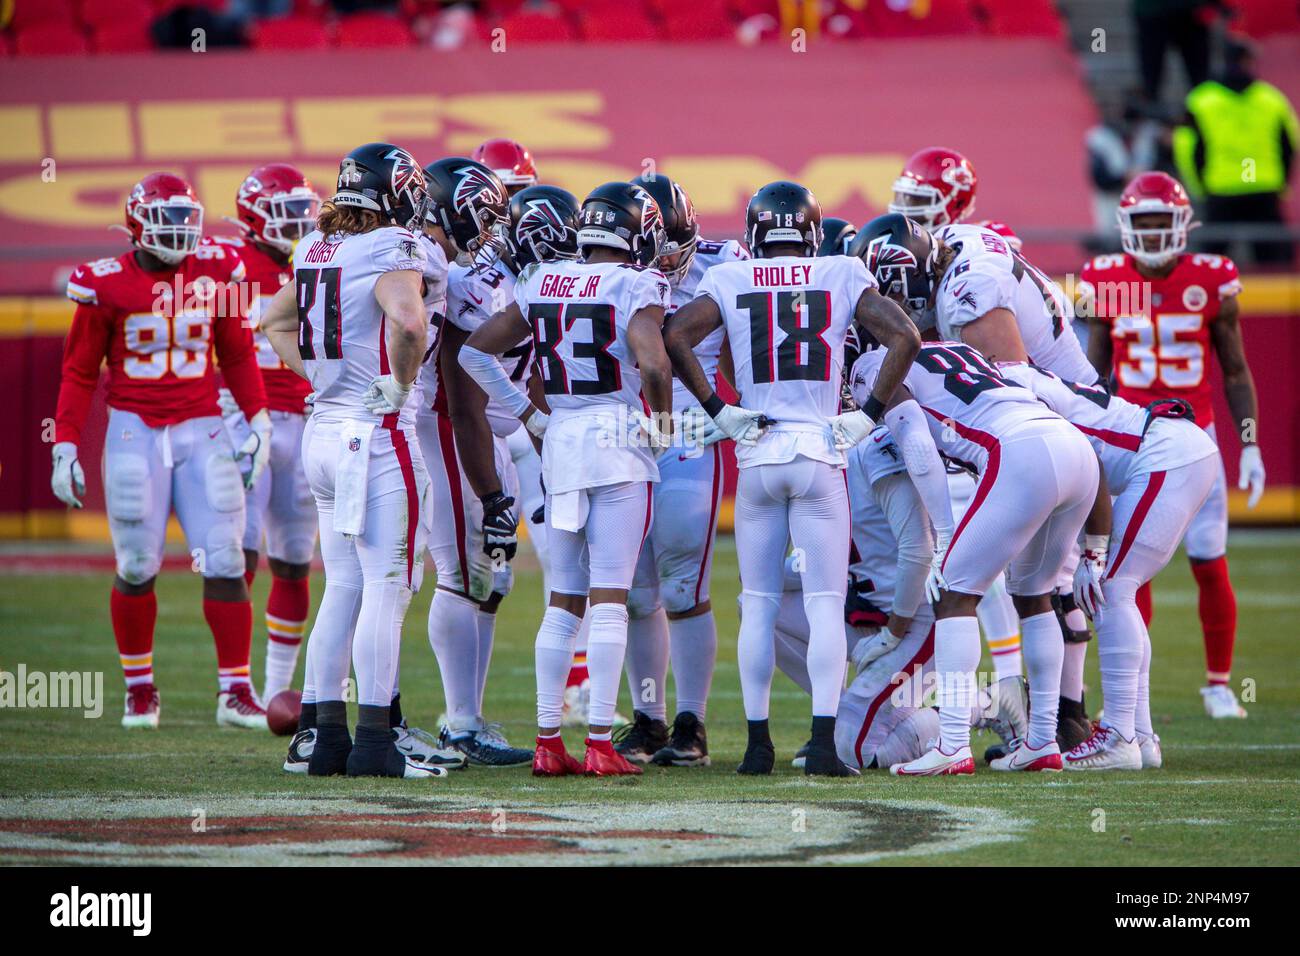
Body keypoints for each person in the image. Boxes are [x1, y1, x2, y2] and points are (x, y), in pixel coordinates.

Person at [663, 180, 921, 777]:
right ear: (811, 231)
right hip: (819, 451)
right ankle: (824, 744)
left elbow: (675, 335)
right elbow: (904, 335)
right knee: (826, 605)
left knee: (757, 605)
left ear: (754, 233)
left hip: (758, 453)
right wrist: (869, 416)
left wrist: (718, 408)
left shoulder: (729, 278)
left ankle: (757, 748)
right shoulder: (839, 272)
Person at [853, 217, 1107, 774]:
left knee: (956, 596)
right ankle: (1043, 741)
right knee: (1034, 594)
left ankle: (951, 747)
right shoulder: (963, 346)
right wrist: (1094, 552)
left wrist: (944, 536)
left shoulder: (878, 361)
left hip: (1020, 457)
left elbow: (918, 448)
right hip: (1075, 450)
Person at [459, 181, 675, 777]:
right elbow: (654, 362)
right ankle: (602, 743)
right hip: (614, 440)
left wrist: (529, 414)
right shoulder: (636, 283)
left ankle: (548, 741)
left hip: (561, 443)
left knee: (563, 601)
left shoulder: (540, 281)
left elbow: (474, 354)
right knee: (610, 599)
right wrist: (661, 427)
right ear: (637, 231)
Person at [54, 172, 270, 731]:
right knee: (136, 563)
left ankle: (235, 692)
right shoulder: (105, 284)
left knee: (225, 557)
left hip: (202, 427)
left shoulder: (218, 270)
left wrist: (259, 418)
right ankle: (140, 689)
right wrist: (66, 445)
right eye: (166, 219)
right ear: (136, 224)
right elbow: (79, 373)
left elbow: (238, 354)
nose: (178, 232)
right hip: (135, 428)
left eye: (185, 219)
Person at [258, 142, 444, 779]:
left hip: (324, 430)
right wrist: (396, 379)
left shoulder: (316, 247)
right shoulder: (393, 245)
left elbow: (271, 319)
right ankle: (373, 743)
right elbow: (411, 323)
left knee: (342, 586)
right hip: (377, 432)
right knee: (386, 590)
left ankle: (327, 740)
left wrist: (320, 376)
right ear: (395, 192)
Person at [1081, 170, 1263, 718]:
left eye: (1165, 223)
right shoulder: (1110, 277)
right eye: (1145, 223)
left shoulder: (1209, 279)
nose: (1156, 235)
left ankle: (1218, 683)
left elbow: (1235, 369)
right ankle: (1138, 690)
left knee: (1208, 559)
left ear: (1184, 224)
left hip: (1194, 436)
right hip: (1132, 435)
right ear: (1125, 224)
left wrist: (1250, 443)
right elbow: (1096, 373)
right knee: (1131, 567)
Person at [767, 424, 1029, 771]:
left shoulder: (873, 446)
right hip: (864, 612)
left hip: (914, 620)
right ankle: (850, 714)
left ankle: (988, 704)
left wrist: (894, 629)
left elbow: (919, 550)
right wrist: (766, 576)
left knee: (851, 751)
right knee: (761, 609)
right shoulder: (817, 451)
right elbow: (823, 555)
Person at [997, 363, 1219, 770]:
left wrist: (1093, 554)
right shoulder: (1024, 377)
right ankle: (1141, 734)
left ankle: (1118, 735)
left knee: (1111, 588)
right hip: (1179, 448)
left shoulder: (1011, 389)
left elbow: (1089, 462)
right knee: (1121, 590)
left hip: (1164, 452)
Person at [610, 173, 749, 768]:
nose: (667, 260)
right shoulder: (606, 268)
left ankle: (691, 721)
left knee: (684, 583)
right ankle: (648, 717)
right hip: (625, 438)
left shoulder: (724, 267)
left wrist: (726, 417)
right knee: (636, 593)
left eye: (676, 245)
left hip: (690, 435)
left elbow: (759, 355)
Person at [413, 156, 534, 767]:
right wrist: (491, 495)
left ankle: (471, 716)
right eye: (483, 216)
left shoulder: (502, 276)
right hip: (452, 433)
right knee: (460, 575)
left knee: (488, 580)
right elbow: (461, 404)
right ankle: (459, 725)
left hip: (483, 433)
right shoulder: (470, 284)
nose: (492, 229)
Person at [213, 163, 321, 703]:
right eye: (288, 212)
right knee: (238, 553)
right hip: (243, 417)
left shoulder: (323, 259)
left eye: (306, 210)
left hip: (306, 418)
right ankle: (235, 685)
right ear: (254, 217)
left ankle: (278, 692)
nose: (301, 223)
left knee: (295, 559)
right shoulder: (229, 267)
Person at [1174, 36, 1299, 265]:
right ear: (1247, 61)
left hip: (1220, 189)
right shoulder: (1271, 98)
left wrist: (1199, 187)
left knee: (1207, 265)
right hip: (1264, 187)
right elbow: (1290, 143)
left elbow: (1185, 146)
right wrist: (1282, 185)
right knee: (1276, 265)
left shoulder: (1201, 100)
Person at [888, 146, 978, 230]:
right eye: (904, 197)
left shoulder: (972, 243)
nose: (905, 208)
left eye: (918, 199)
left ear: (959, 204)